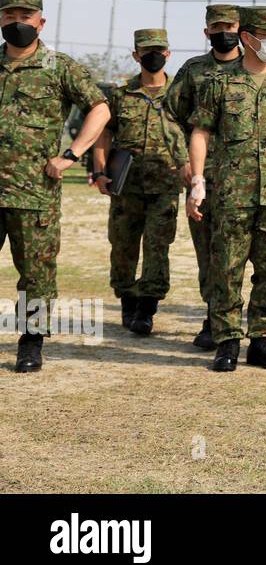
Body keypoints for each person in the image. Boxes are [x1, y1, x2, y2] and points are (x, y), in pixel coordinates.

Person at [187, 6, 266, 371]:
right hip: (231, 195)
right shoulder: (221, 84)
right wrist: (198, 180)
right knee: (227, 268)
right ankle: (226, 342)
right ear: (248, 38)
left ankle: (262, 341)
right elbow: (200, 132)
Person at [0, 0, 110, 372]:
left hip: (35, 191)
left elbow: (99, 108)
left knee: (36, 272)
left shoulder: (58, 66)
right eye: (10, 15)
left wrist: (71, 155)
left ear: (40, 23)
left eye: (25, 16)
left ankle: (31, 341)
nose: (17, 23)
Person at [92, 28, 189, 336]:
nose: (153, 55)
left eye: (159, 49)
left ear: (168, 54)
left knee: (158, 247)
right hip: (126, 185)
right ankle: (127, 299)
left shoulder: (181, 94)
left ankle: (147, 309)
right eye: (146, 51)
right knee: (122, 246)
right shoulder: (120, 94)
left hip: (165, 185)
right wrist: (99, 171)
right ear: (136, 55)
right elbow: (104, 134)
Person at [164, 3, 243, 350]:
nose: (223, 32)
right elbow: (168, 115)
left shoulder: (255, 68)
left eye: (230, 25)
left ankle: (248, 321)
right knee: (210, 253)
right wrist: (183, 160)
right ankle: (215, 317)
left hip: (253, 181)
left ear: (242, 29)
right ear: (206, 32)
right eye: (217, 26)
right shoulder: (194, 70)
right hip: (205, 179)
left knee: (252, 255)